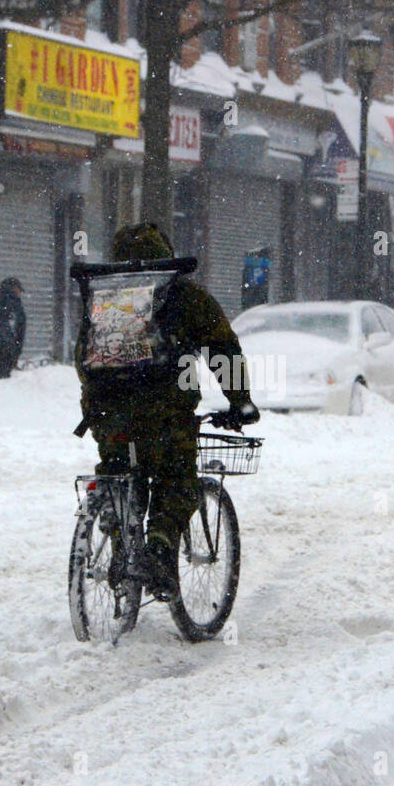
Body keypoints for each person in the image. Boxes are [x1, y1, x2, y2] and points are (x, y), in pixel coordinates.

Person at [75, 223, 259, 601]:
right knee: (175, 476)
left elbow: (84, 357)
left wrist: (100, 400)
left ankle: (118, 541)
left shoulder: (102, 295)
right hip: (164, 412)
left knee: (119, 472)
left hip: (106, 414)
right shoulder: (184, 296)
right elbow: (221, 350)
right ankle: (158, 549)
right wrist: (239, 401)